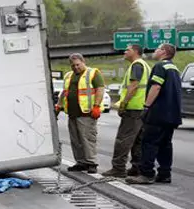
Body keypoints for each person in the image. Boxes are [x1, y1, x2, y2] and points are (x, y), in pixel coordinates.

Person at [126, 43, 182, 185]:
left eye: (157, 48)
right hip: (172, 114)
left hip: (158, 113)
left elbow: (156, 87)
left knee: (149, 143)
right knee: (165, 144)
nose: (155, 51)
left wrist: (146, 106)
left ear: (163, 52)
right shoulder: (174, 68)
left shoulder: (160, 66)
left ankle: (146, 174)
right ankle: (164, 174)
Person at [102, 44, 151, 178]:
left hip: (133, 109)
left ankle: (118, 168)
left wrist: (123, 104)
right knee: (138, 141)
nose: (124, 52)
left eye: (127, 50)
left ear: (135, 52)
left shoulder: (136, 65)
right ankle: (137, 167)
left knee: (123, 139)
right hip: (142, 108)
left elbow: (133, 86)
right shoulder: (145, 65)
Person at [55, 53, 105, 174]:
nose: (75, 67)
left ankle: (91, 163)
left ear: (83, 62)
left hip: (87, 113)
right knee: (76, 140)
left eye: (77, 64)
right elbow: (64, 93)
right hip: (72, 113)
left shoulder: (93, 73)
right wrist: (59, 105)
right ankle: (81, 162)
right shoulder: (68, 75)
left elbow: (100, 89)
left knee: (87, 138)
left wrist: (97, 106)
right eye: (73, 65)